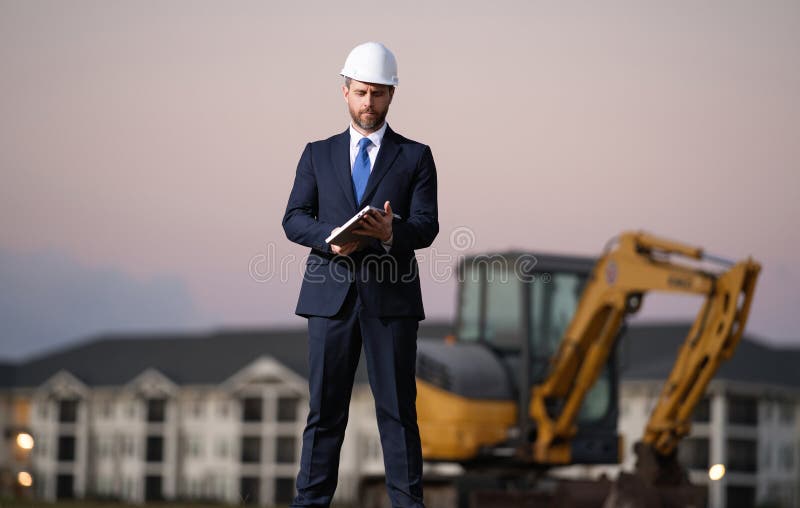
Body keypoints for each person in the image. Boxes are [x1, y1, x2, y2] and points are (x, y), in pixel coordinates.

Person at [282, 41, 438, 508]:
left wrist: (393, 232)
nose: (369, 103)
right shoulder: (317, 154)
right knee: (324, 414)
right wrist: (328, 238)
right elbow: (294, 218)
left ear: (392, 94)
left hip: (391, 304)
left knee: (397, 414)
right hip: (329, 299)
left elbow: (427, 226)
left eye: (379, 94)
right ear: (345, 90)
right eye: (361, 93)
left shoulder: (416, 157)